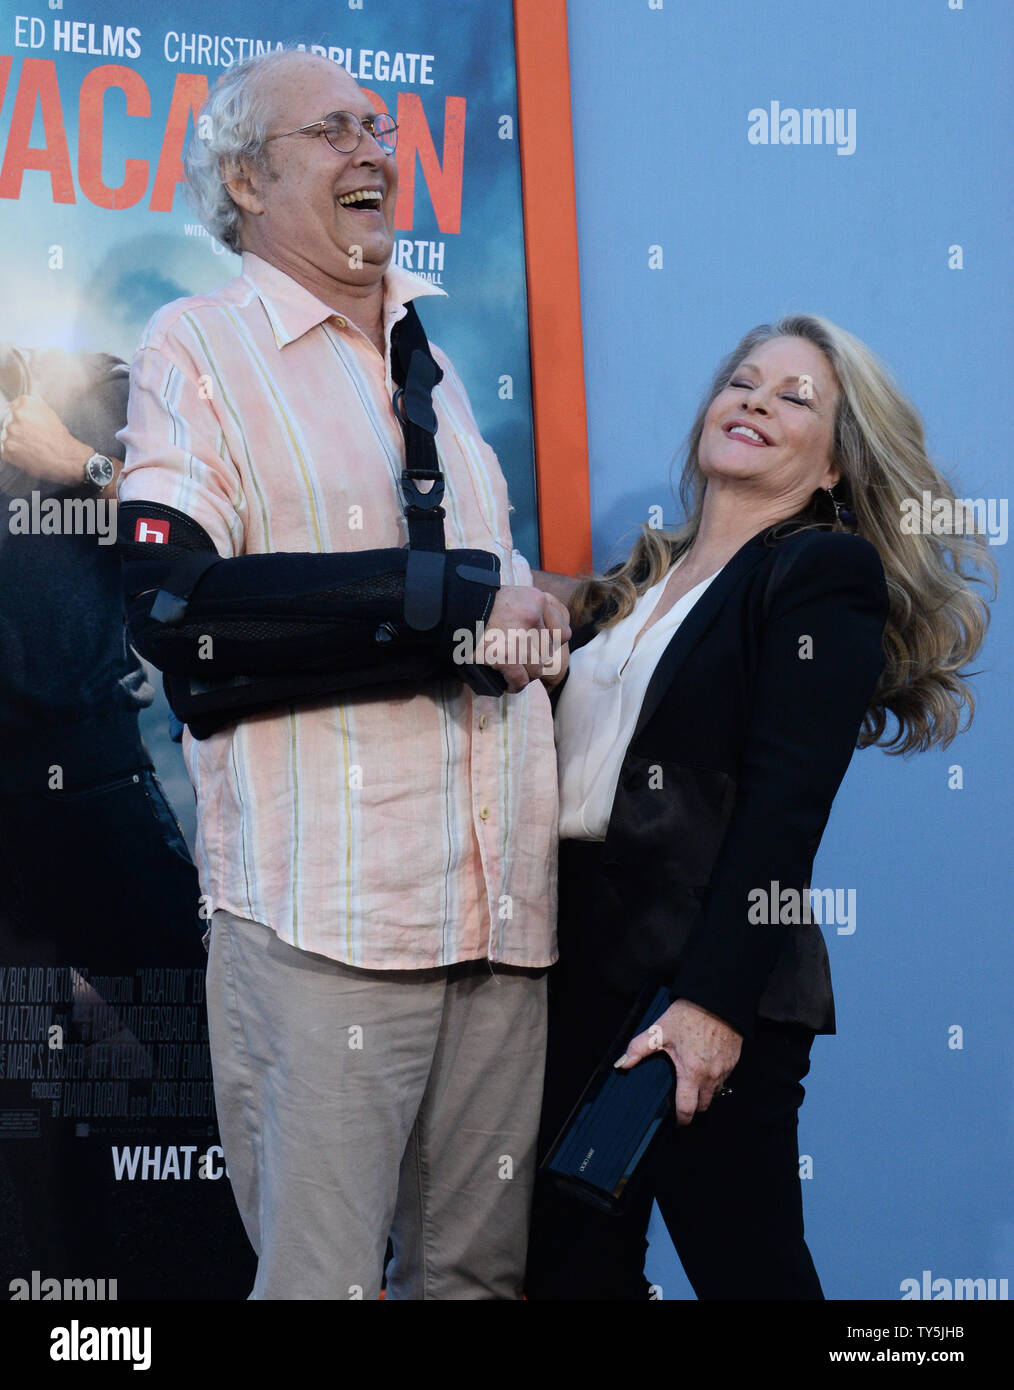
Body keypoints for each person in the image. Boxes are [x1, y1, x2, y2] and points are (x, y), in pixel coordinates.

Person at [116, 48, 569, 1300]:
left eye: (379, 126)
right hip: (330, 925)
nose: (373, 149)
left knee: (475, 1280)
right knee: (321, 1289)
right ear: (248, 181)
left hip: (499, 915)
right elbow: (177, 610)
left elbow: (490, 594)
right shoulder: (200, 345)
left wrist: (535, 620)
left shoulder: (434, 359)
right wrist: (455, 609)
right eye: (333, 131)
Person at [524, 315, 994, 1300]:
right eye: (743, 381)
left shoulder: (819, 576)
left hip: (699, 984)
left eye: (795, 397)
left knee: (752, 1274)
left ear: (834, 465)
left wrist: (710, 1004)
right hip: (574, 977)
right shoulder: (629, 591)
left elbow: (787, 805)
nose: (755, 402)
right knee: (569, 1277)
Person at [0, 344, 252, 1297]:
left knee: (198, 1059)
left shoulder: (94, 392)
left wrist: (77, 464)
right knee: (23, 1106)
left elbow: (197, 552)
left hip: (91, 793)